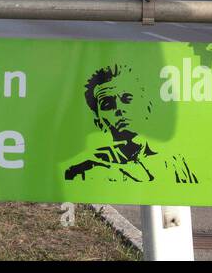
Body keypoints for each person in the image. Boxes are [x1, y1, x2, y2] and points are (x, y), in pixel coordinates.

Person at [64, 63, 197, 184]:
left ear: (148, 107)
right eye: (108, 105)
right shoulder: (86, 169)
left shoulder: (174, 161)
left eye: (127, 99)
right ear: (99, 122)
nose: (119, 109)